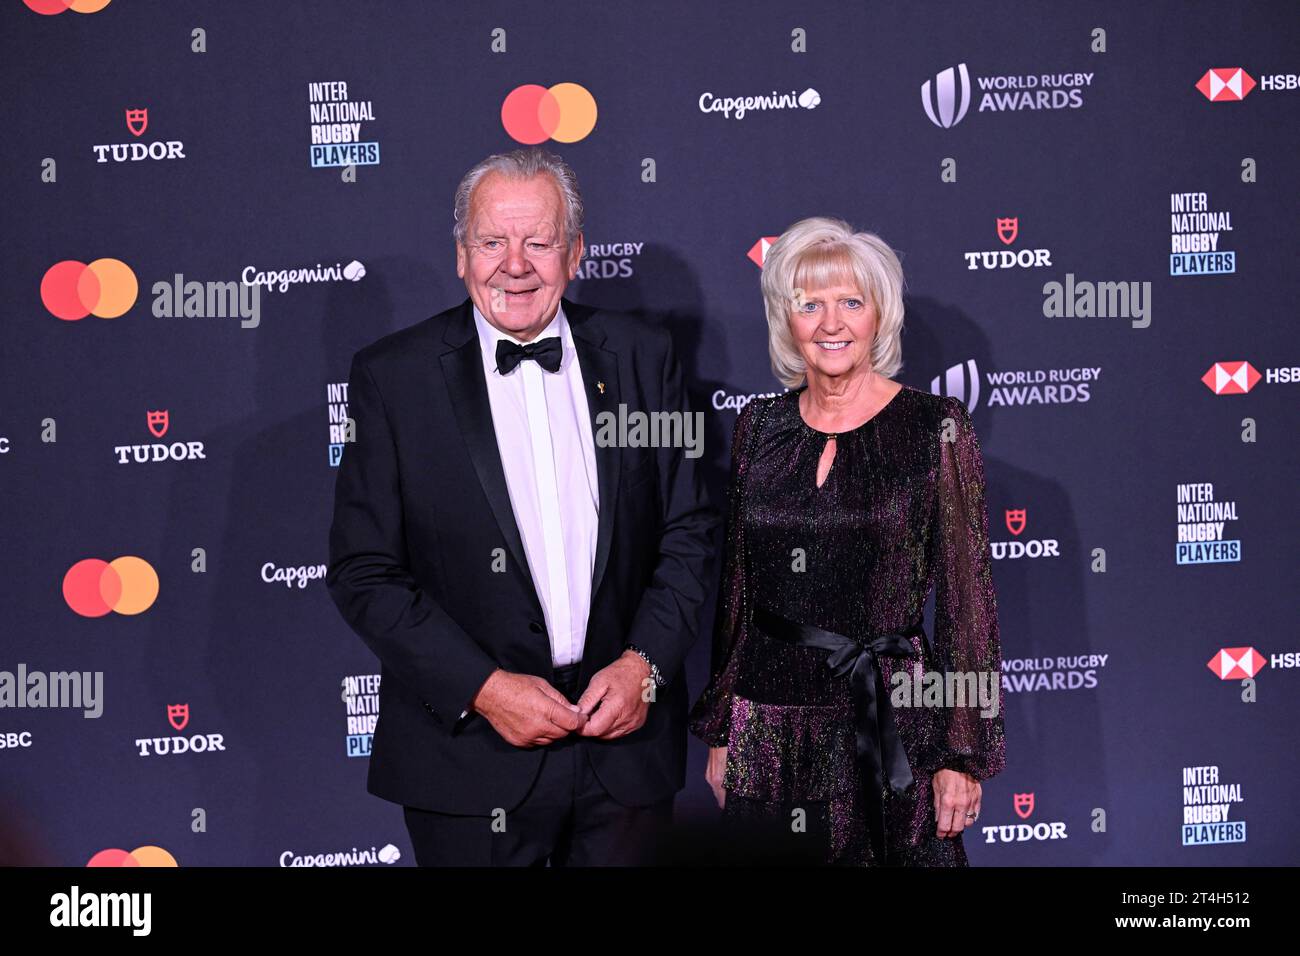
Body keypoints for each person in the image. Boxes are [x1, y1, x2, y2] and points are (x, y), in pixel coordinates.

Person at [327, 146, 717, 865]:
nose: (515, 263)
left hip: (623, 758)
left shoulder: (642, 356)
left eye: (538, 242)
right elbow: (364, 571)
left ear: (574, 255)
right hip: (469, 761)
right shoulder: (395, 378)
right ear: (460, 255)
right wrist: (483, 689)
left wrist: (644, 665)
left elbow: (689, 530)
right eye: (492, 242)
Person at [688, 216, 1006, 865]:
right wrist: (724, 727)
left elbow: (967, 603)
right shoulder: (761, 428)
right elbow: (738, 592)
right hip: (768, 731)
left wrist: (959, 753)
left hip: (889, 721)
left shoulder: (933, 427)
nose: (831, 323)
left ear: (879, 315)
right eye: (810, 304)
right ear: (786, 319)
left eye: (850, 302)